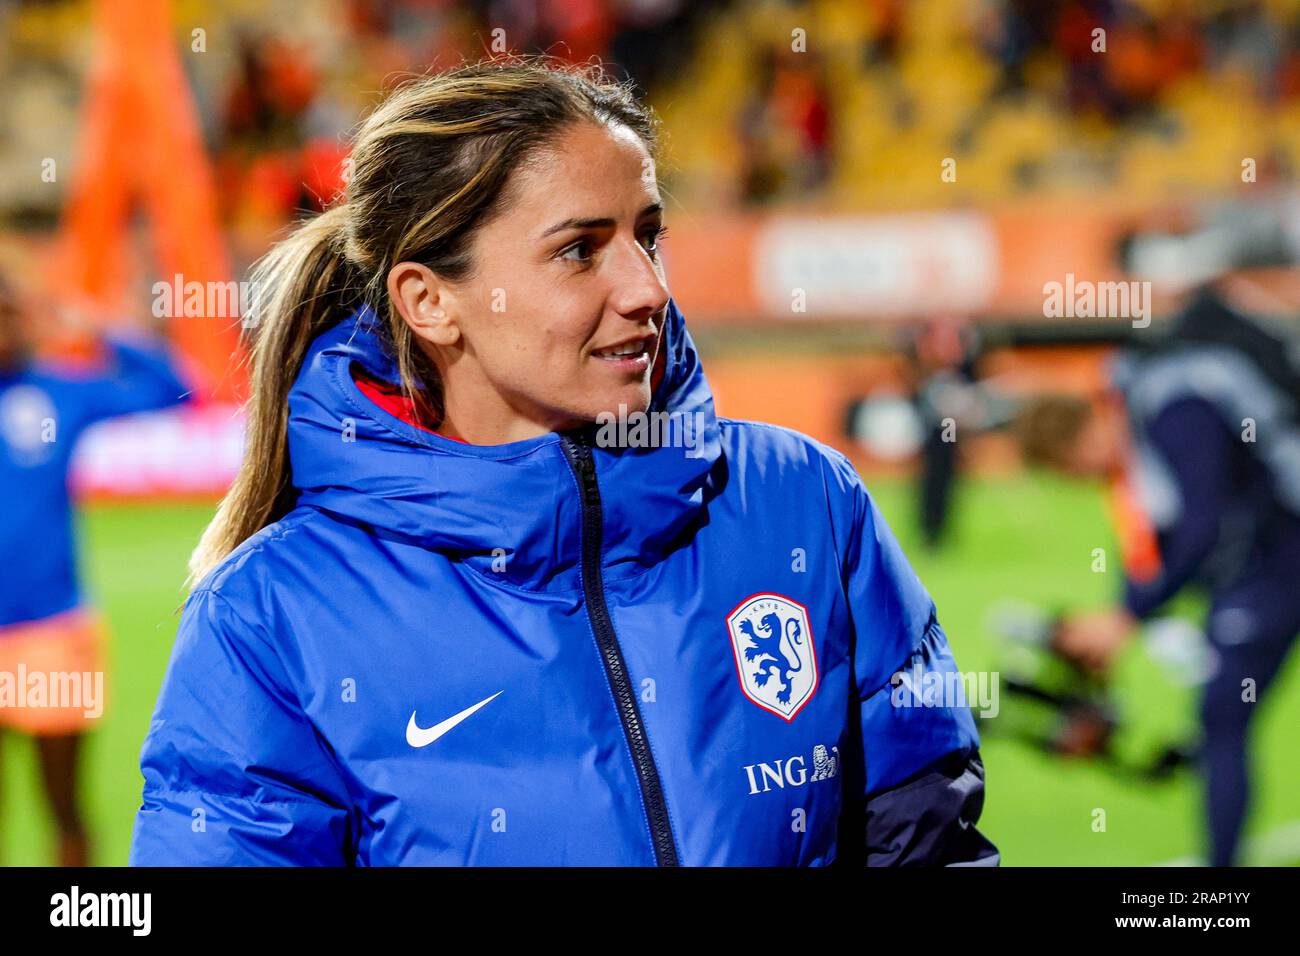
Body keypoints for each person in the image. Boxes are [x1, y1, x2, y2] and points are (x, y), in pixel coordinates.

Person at [128, 59, 998, 867]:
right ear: (429, 302)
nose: (647, 288)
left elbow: (927, 841)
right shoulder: (271, 616)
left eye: (647, 236)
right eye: (580, 249)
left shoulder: (803, 503)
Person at [1015, 282, 1300, 866]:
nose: (1085, 484)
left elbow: (1203, 525)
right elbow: (1160, 538)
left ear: (1077, 444)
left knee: (1222, 716)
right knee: (1222, 716)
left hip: (1281, 554)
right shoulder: (1144, 416)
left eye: (1073, 474)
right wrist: (1123, 615)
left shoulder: (1171, 410)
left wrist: (1127, 617)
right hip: (1272, 554)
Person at [0, 275, 191, 865]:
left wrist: (92, 323)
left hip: (51, 632)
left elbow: (171, 387)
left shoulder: (58, 393)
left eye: (11, 315)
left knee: (64, 806)